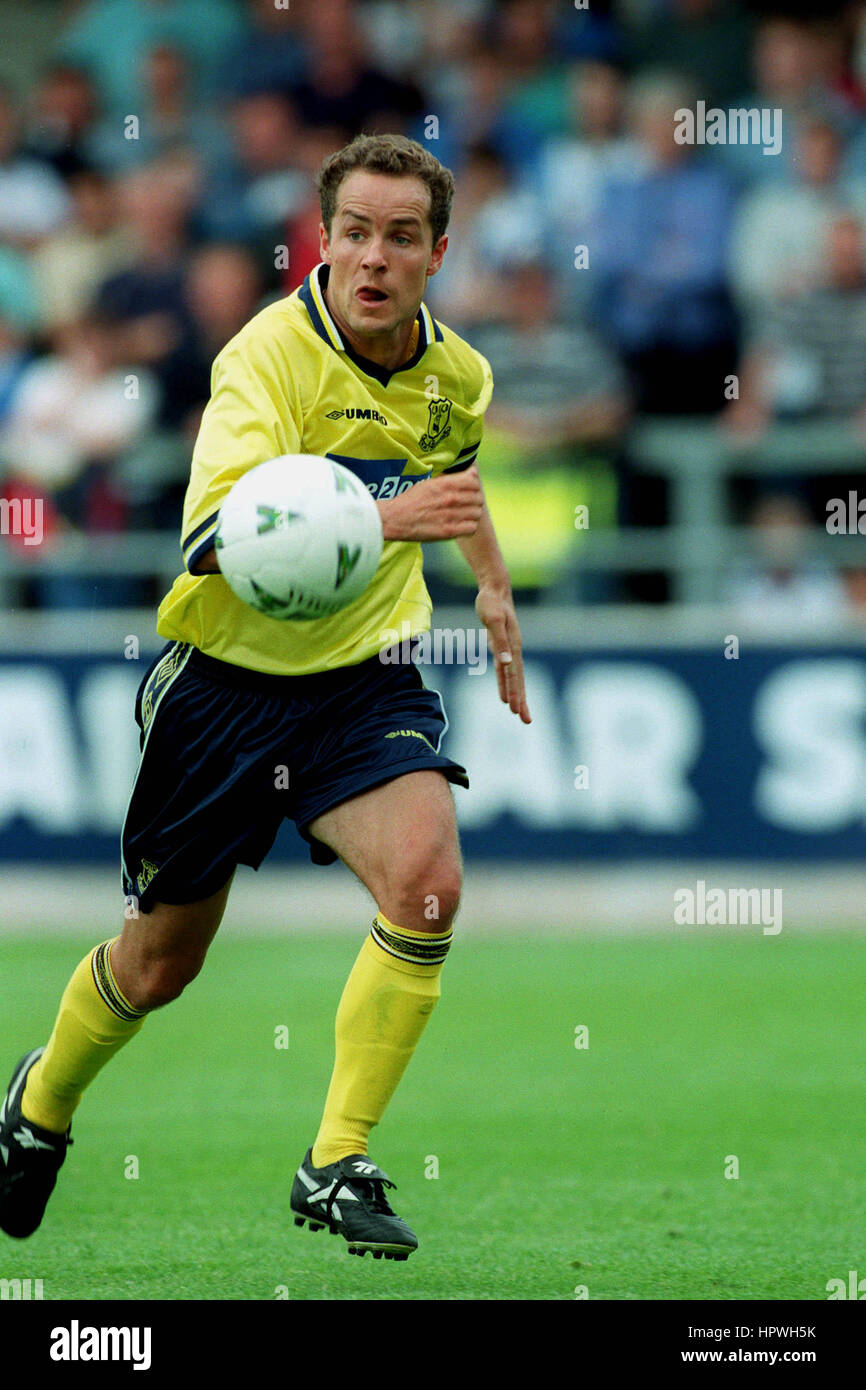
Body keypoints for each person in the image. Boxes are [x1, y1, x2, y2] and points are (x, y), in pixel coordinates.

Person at [0, 133, 530, 1261]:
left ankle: (334, 1158)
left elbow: (457, 486)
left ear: (438, 253)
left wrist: (490, 591)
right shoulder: (264, 361)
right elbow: (212, 543)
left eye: (400, 237)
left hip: (361, 674)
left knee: (427, 882)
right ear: (322, 238)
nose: (373, 257)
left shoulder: (460, 376)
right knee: (161, 962)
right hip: (224, 690)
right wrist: (383, 519)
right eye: (353, 232)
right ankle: (39, 1106)